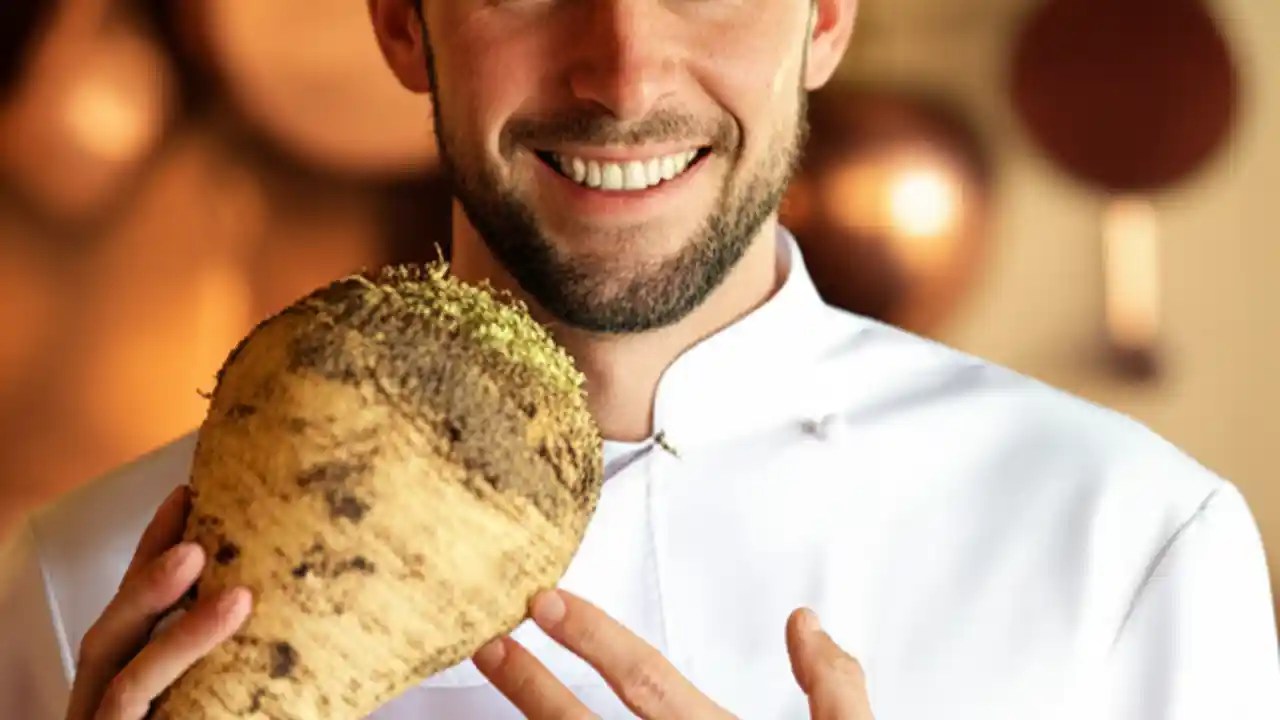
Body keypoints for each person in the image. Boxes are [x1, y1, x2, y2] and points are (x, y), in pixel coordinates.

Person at [1, 0, 1277, 717]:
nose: (619, 71)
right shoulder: (81, 592)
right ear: (401, 23)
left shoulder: (1134, 550)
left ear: (825, 16)